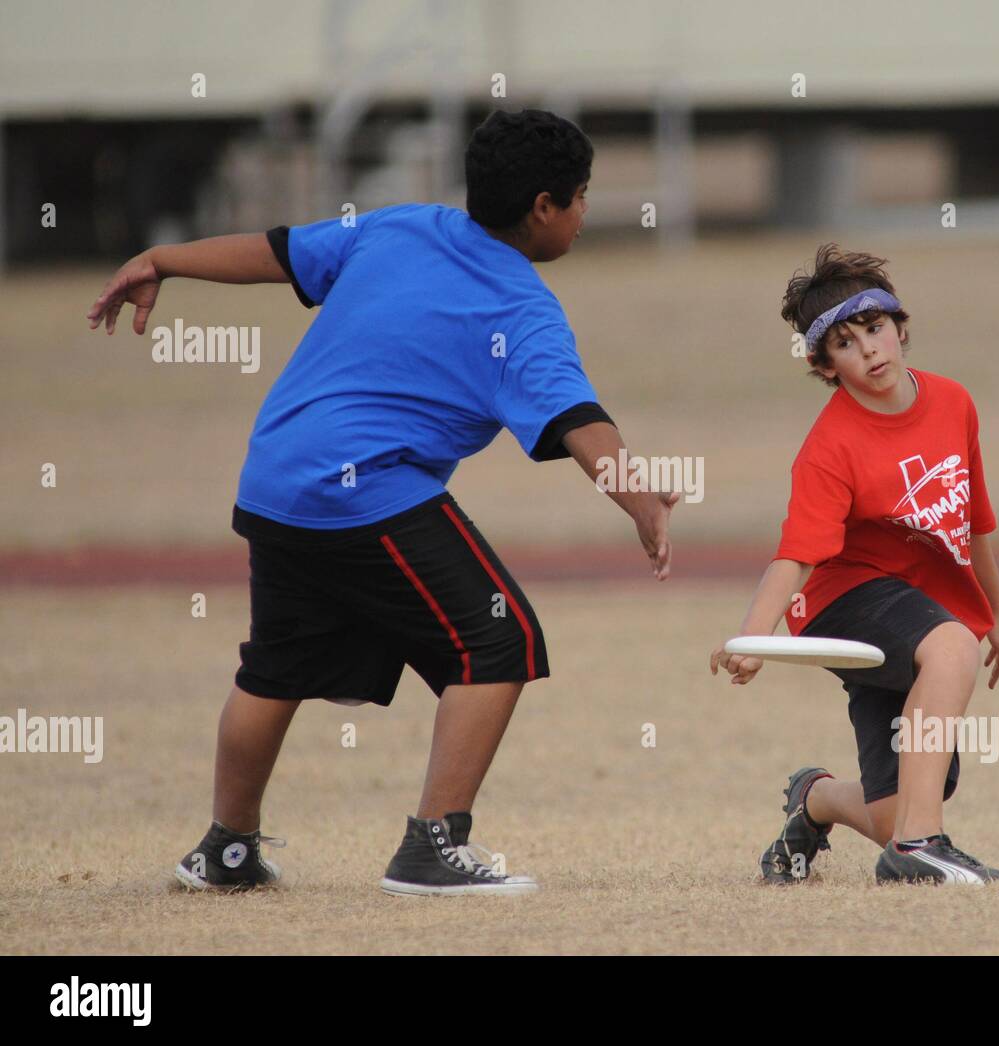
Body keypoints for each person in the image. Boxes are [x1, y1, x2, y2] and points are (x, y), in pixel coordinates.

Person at [88, 108, 678, 896]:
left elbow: (274, 251)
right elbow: (578, 421)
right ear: (543, 206)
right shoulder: (522, 307)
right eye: (580, 196)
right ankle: (433, 848)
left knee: (277, 667)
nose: (582, 213)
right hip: (360, 489)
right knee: (500, 642)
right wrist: (640, 500)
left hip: (275, 477)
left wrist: (163, 257)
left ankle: (226, 850)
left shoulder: (402, 228)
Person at [709, 245, 999, 886]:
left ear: (900, 326)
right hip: (845, 601)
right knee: (950, 648)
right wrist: (756, 636)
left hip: (916, 609)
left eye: (876, 328)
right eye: (846, 344)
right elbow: (796, 558)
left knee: (896, 807)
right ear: (826, 367)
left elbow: (973, 526)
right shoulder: (831, 446)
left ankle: (818, 800)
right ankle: (920, 846)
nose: (871, 350)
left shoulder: (955, 404)